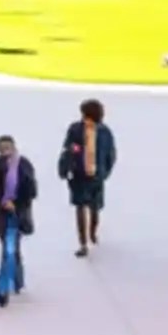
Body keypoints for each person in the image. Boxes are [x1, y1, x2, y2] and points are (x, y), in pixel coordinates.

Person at [0, 135, 37, 308]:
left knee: (12, 250)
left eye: (8, 146)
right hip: (2, 214)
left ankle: (11, 283)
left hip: (18, 213)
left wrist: (16, 202)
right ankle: (5, 288)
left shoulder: (24, 165)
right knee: (9, 250)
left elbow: (31, 190)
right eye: (2, 147)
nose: (6, 150)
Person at [58, 98, 116, 258]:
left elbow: (68, 148)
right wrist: (105, 172)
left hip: (84, 173)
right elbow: (111, 154)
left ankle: (86, 239)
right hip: (89, 174)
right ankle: (89, 237)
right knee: (90, 207)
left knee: (85, 208)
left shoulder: (80, 129)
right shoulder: (103, 131)